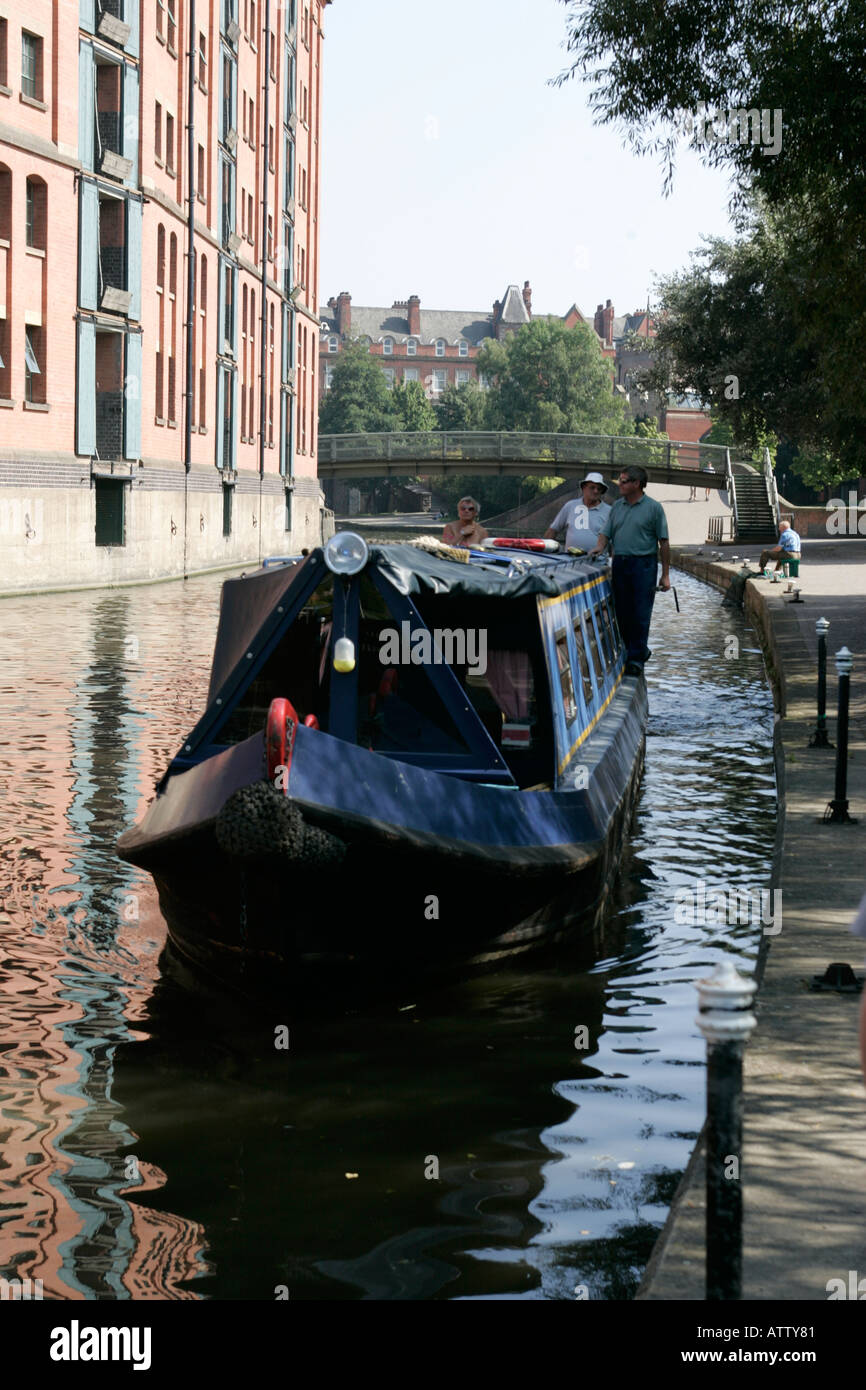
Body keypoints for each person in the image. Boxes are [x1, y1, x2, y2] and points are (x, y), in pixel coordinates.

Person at [588, 465, 670, 676]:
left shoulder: (654, 508)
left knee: (641, 612)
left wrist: (665, 575)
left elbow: (664, 542)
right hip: (621, 562)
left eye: (624, 481)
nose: (620, 485)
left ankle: (635, 660)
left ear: (636, 484)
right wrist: (599, 546)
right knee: (622, 612)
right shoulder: (617, 506)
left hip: (644, 564)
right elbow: (606, 532)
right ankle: (638, 650)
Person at [544, 472, 612, 552]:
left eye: (599, 489)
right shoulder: (570, 506)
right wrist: (545, 552)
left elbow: (615, 540)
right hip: (571, 561)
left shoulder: (609, 511)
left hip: (598, 562)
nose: (596, 491)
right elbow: (553, 530)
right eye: (592, 487)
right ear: (583, 488)